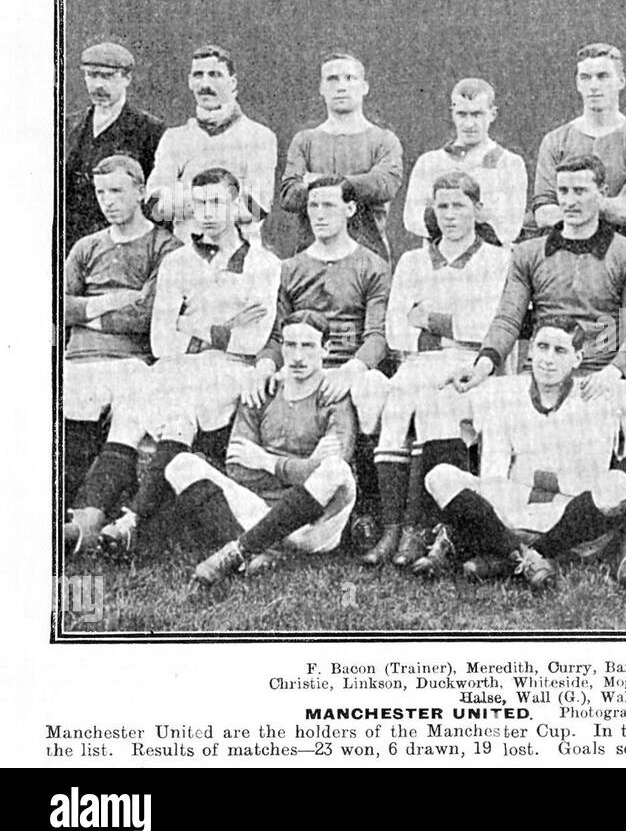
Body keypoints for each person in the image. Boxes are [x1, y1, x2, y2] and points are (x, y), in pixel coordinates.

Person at [66, 167, 280, 555]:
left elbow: (254, 340)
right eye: (199, 204)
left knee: (181, 408)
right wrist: (222, 326)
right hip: (178, 364)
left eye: (217, 202)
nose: (208, 212)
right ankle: (88, 518)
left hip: (230, 370)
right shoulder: (178, 261)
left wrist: (191, 322)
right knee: (131, 409)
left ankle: (132, 519)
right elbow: (162, 341)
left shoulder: (264, 263)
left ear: (237, 204)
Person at [426, 317, 626, 589]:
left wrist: (532, 482)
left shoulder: (593, 398)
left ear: (577, 358)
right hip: (511, 511)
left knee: (618, 485)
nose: (548, 359)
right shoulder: (508, 396)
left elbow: (585, 485)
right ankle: (527, 557)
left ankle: (510, 557)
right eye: (542, 347)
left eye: (560, 351)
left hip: (567, 520)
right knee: (439, 477)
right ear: (531, 351)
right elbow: (494, 481)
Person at [363, 171, 510, 569]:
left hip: (468, 367)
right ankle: (392, 528)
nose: (449, 215)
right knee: (395, 408)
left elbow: (486, 328)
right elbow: (396, 329)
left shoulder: (496, 259)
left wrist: (426, 318)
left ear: (477, 210)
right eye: (442, 206)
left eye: (459, 205)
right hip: (418, 361)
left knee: (435, 407)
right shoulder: (413, 260)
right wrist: (452, 327)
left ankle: (418, 528)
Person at [453, 155, 626, 400]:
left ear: (602, 192)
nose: (570, 201)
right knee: (483, 402)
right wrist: (482, 366)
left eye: (580, 191)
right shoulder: (528, 253)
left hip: (599, 375)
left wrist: (612, 372)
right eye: (563, 191)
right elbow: (508, 319)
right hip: (539, 373)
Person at [187, 311, 358, 585]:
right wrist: (302, 469)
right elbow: (236, 467)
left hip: (314, 527)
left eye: (308, 346)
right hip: (260, 509)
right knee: (183, 464)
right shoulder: (262, 390)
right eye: (290, 345)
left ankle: (240, 550)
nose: (298, 356)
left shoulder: (334, 395)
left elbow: (329, 468)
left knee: (336, 470)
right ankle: (261, 547)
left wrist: (265, 460)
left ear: (326, 349)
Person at [244, 176, 389, 466]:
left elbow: (377, 336)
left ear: (349, 209)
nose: (320, 214)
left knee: (369, 390)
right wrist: (265, 365)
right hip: (300, 365)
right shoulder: (289, 268)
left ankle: (364, 490)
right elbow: (275, 335)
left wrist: (351, 370)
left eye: (329, 205)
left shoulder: (372, 266)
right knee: (256, 386)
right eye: (313, 206)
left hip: (348, 367)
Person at [62, 156, 181, 508]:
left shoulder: (165, 247)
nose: (107, 200)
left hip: (129, 360)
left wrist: (81, 312)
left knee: (128, 410)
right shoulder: (87, 246)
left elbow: (146, 315)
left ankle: (91, 510)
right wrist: (107, 302)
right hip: (79, 359)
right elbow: (56, 305)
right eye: (100, 192)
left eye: (116, 190)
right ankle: (66, 508)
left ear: (141, 191)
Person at [145, 44, 277, 246]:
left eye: (215, 75)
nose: (205, 84)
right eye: (198, 75)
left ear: (232, 82)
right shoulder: (174, 139)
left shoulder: (259, 137)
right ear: (190, 81)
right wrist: (226, 199)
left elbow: (256, 208)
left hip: (241, 258)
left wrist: (182, 194)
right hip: (186, 257)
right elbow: (155, 207)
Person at [279, 52, 404, 260]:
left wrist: (316, 181)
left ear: (364, 87)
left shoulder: (384, 140)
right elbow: (289, 195)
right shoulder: (304, 140)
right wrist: (357, 184)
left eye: (349, 78)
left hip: (368, 259)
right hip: (311, 259)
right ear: (321, 88)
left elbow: (385, 185)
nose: (341, 86)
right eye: (332, 79)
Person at [532, 44, 626, 241]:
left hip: (621, 253)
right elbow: (544, 213)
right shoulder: (555, 140)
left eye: (602, 76)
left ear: (621, 81)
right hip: (564, 252)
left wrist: (571, 205)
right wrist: (612, 204)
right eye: (586, 77)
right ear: (577, 83)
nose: (593, 85)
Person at [404, 78, 528, 246]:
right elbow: (412, 219)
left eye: (477, 114)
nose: (469, 123)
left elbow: (509, 229)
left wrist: (446, 214)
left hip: (490, 262)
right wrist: (478, 216)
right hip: (439, 261)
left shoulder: (510, 164)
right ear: (452, 114)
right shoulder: (429, 162)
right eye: (462, 114)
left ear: (492, 114)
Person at [65, 42, 166, 247]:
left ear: (126, 78)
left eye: (108, 76)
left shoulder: (150, 130)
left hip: (122, 244)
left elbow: (156, 198)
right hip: (71, 243)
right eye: (92, 75)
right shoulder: (67, 126)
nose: (98, 85)